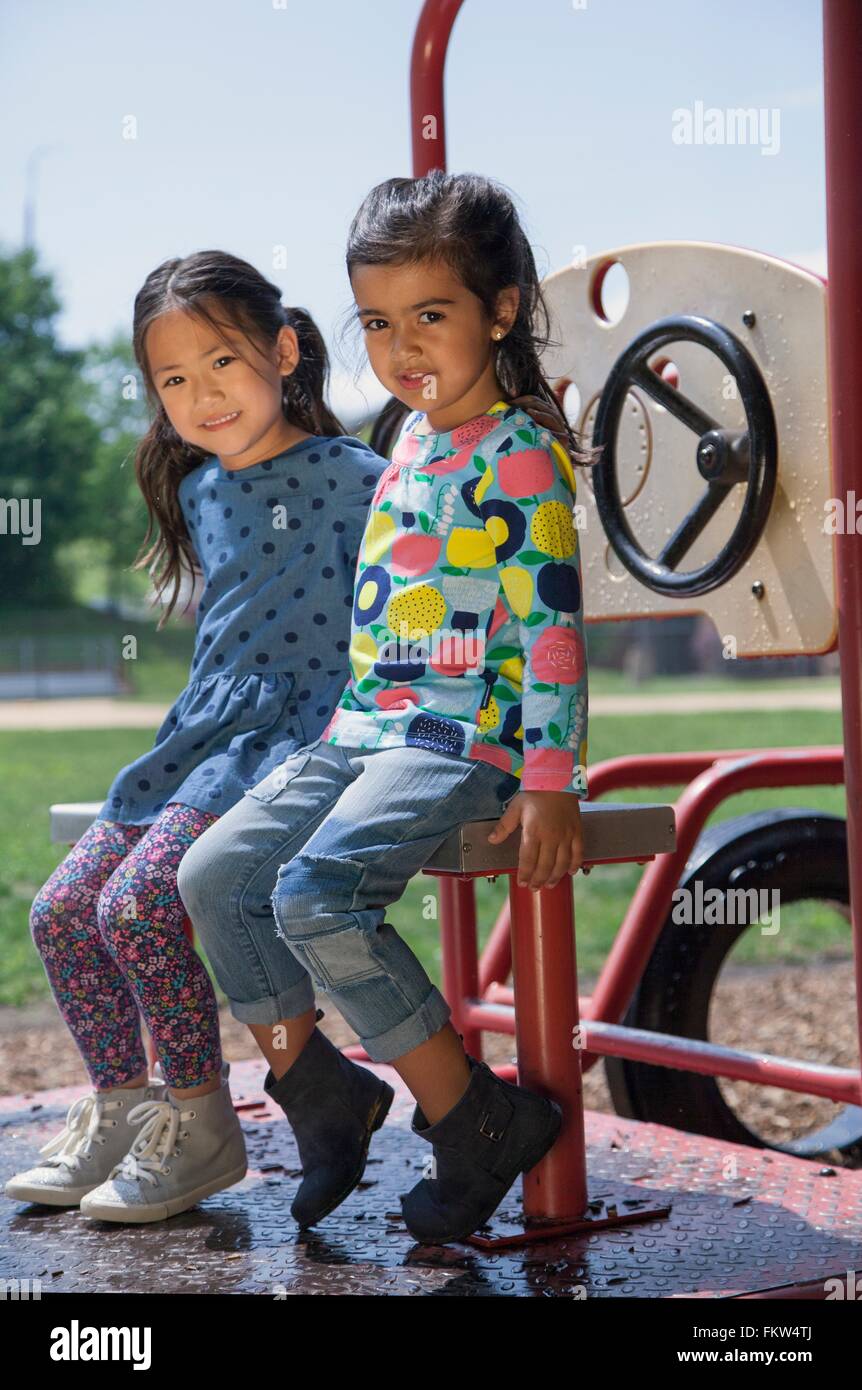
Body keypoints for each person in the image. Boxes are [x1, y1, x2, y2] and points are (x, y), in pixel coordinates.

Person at [177, 171, 598, 1245]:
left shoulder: (521, 457)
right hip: (363, 732)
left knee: (317, 894)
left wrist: (552, 779)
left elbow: (551, 632)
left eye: (430, 316)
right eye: (377, 321)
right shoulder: (405, 439)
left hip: (463, 738)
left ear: (498, 311)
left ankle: (471, 1115)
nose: (403, 347)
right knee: (215, 875)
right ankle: (325, 1091)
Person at [5, 250, 387, 1223]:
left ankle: (202, 1123)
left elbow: (402, 621)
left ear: (285, 349)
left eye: (220, 362)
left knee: (140, 903)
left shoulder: (361, 482)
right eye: (173, 379)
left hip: (301, 737)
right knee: (61, 912)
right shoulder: (204, 489)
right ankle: (128, 1112)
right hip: (206, 736)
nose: (201, 395)